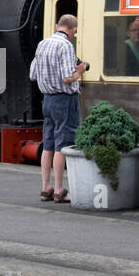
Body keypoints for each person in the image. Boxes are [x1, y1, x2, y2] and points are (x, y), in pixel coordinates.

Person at [29, 14, 87, 202]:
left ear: (56, 26)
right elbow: (67, 78)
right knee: (62, 145)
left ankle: (46, 188)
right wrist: (80, 70)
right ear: (73, 31)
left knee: (48, 144)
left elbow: (33, 76)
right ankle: (60, 190)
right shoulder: (66, 46)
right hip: (64, 100)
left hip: (47, 100)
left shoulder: (42, 44)